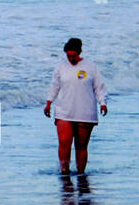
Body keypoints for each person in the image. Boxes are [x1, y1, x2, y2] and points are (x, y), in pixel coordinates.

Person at [44, 37, 107, 173]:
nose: (71, 58)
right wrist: (49, 102)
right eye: (68, 55)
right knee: (64, 143)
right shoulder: (61, 66)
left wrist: (103, 102)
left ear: (79, 53)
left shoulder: (90, 66)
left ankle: (80, 173)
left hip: (85, 111)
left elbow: (99, 86)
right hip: (64, 110)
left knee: (81, 145)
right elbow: (54, 85)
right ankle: (64, 171)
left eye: (74, 55)